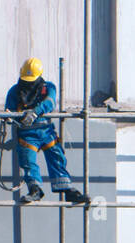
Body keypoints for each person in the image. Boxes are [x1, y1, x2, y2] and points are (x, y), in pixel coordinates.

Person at [6, 58, 90, 205]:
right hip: (27, 135)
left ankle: (68, 189)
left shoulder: (48, 87)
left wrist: (35, 112)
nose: (28, 83)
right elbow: (10, 108)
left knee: (57, 158)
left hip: (46, 131)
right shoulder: (15, 91)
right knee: (28, 162)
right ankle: (35, 189)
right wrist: (8, 116)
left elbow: (49, 102)